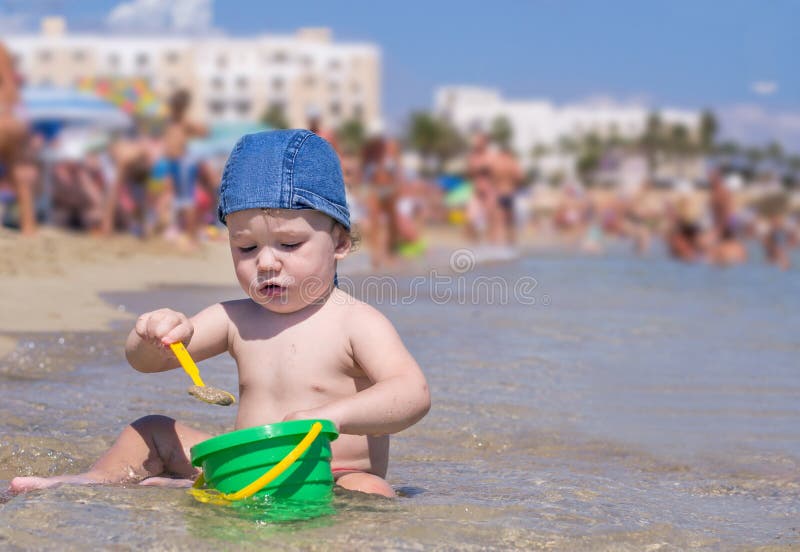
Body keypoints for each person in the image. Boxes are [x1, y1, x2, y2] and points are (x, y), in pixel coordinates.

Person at [9, 130, 431, 498]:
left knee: (372, 492)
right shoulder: (236, 318)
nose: (266, 263)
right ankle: (99, 482)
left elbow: (412, 394)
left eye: (289, 245)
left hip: (330, 476)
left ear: (339, 243)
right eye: (247, 248)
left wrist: (331, 417)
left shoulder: (354, 322)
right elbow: (146, 364)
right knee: (152, 430)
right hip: (241, 468)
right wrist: (151, 335)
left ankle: (188, 491)